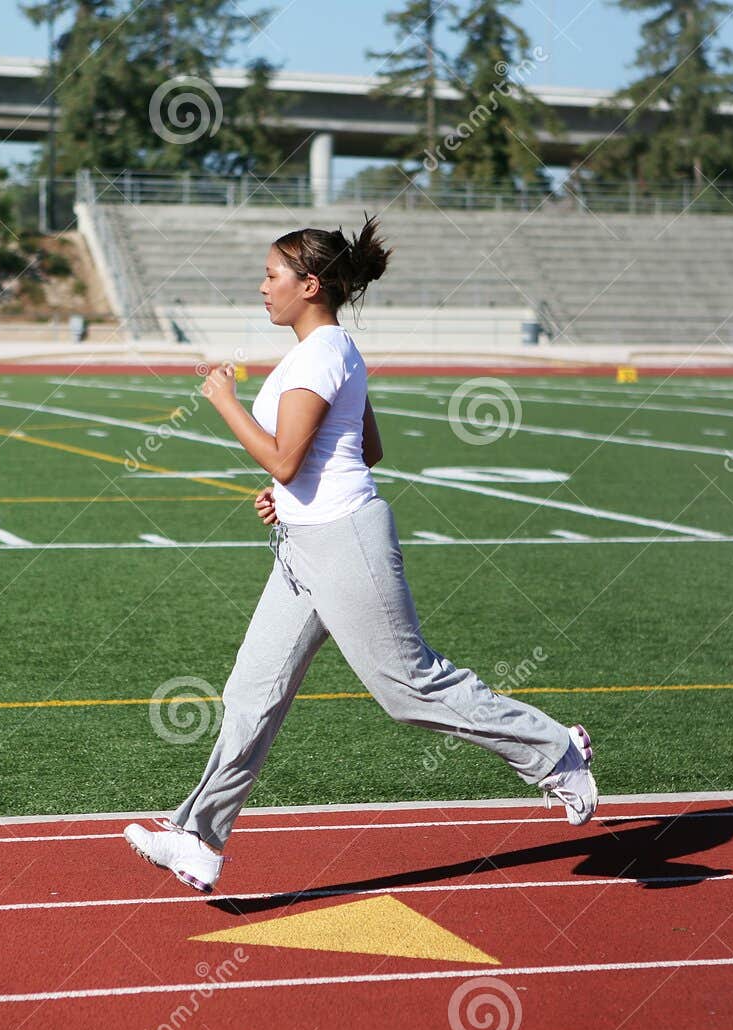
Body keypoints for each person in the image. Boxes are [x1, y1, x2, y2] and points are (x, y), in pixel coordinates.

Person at [123, 215, 597, 893]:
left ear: (309, 285)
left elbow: (286, 459)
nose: (262, 287)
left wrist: (225, 402)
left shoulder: (321, 355)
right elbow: (363, 449)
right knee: (252, 692)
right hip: (304, 546)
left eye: (271, 275)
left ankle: (555, 750)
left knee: (409, 688)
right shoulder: (324, 352)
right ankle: (198, 838)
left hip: (345, 541)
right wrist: (286, 499)